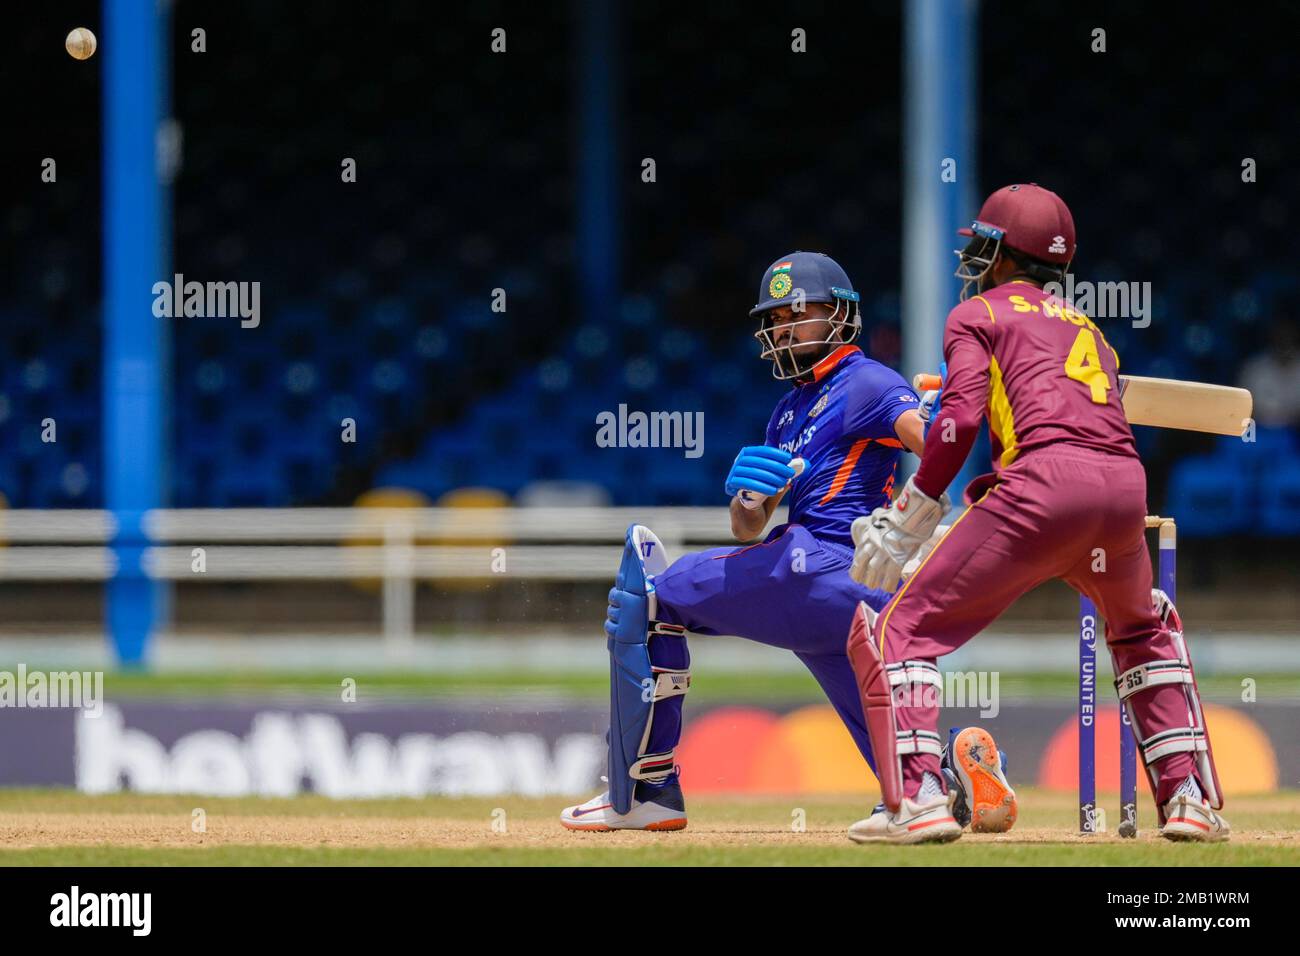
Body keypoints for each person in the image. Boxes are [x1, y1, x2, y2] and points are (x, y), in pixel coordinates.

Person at [560, 251, 1016, 835]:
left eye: (797, 312)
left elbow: (934, 446)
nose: (782, 326)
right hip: (844, 605)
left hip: (821, 565)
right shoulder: (788, 410)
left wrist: (948, 415)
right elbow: (746, 530)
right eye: (774, 317)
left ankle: (644, 792)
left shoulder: (868, 380)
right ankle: (949, 779)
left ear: (840, 315)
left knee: (648, 595)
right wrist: (748, 502)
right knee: (900, 779)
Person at [846, 184, 1227, 844]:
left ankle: (922, 798)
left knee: (904, 627)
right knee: (1141, 629)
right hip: (1123, 489)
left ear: (997, 254)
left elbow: (962, 417)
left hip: (1044, 489)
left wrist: (910, 510)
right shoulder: (1088, 329)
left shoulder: (977, 314)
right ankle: (1189, 798)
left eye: (982, 248)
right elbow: (1042, 411)